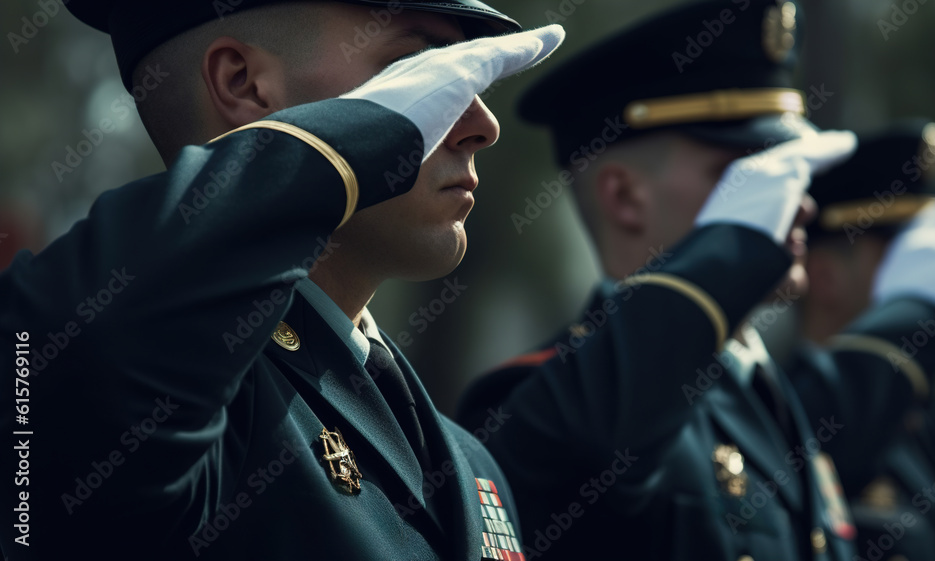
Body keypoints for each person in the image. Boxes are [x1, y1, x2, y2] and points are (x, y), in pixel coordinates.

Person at [0, 1, 563, 559]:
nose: (482, 124)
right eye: (417, 68)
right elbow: (71, 343)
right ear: (242, 84)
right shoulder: (183, 412)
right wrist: (327, 151)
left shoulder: (472, 468)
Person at [456, 1, 935, 559]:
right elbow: (590, 448)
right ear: (624, 197)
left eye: (793, 171)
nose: (799, 203)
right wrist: (731, 256)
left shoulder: (762, 392)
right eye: (751, 174)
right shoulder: (551, 397)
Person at [792, 121, 935, 561]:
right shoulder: (794, 413)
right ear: (823, 276)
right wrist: (914, 306)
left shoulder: (917, 422)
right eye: (900, 252)